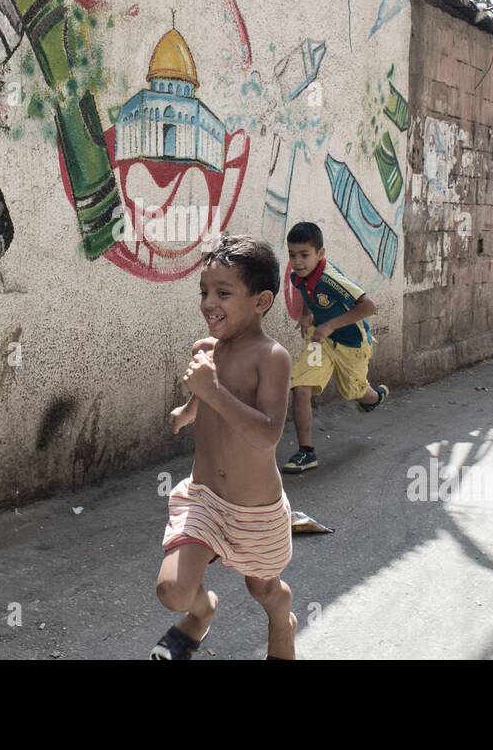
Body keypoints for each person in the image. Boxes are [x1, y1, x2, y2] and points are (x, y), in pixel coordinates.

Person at [153, 235, 297, 660]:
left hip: (256, 511)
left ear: (261, 300)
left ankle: (282, 619)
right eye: (204, 292)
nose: (208, 302)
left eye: (223, 293)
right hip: (204, 500)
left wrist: (210, 392)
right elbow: (206, 397)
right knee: (173, 589)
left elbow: (268, 433)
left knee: (263, 588)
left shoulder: (272, 357)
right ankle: (201, 612)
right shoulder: (207, 349)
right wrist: (189, 409)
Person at [281, 221, 388, 474]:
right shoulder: (299, 276)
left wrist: (329, 325)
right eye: (292, 255)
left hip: (352, 344)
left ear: (320, 254)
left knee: (355, 391)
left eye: (304, 255)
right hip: (322, 342)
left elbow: (369, 306)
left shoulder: (331, 278)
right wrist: (307, 314)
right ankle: (306, 452)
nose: (297, 262)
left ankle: (375, 397)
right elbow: (309, 293)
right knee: (300, 386)